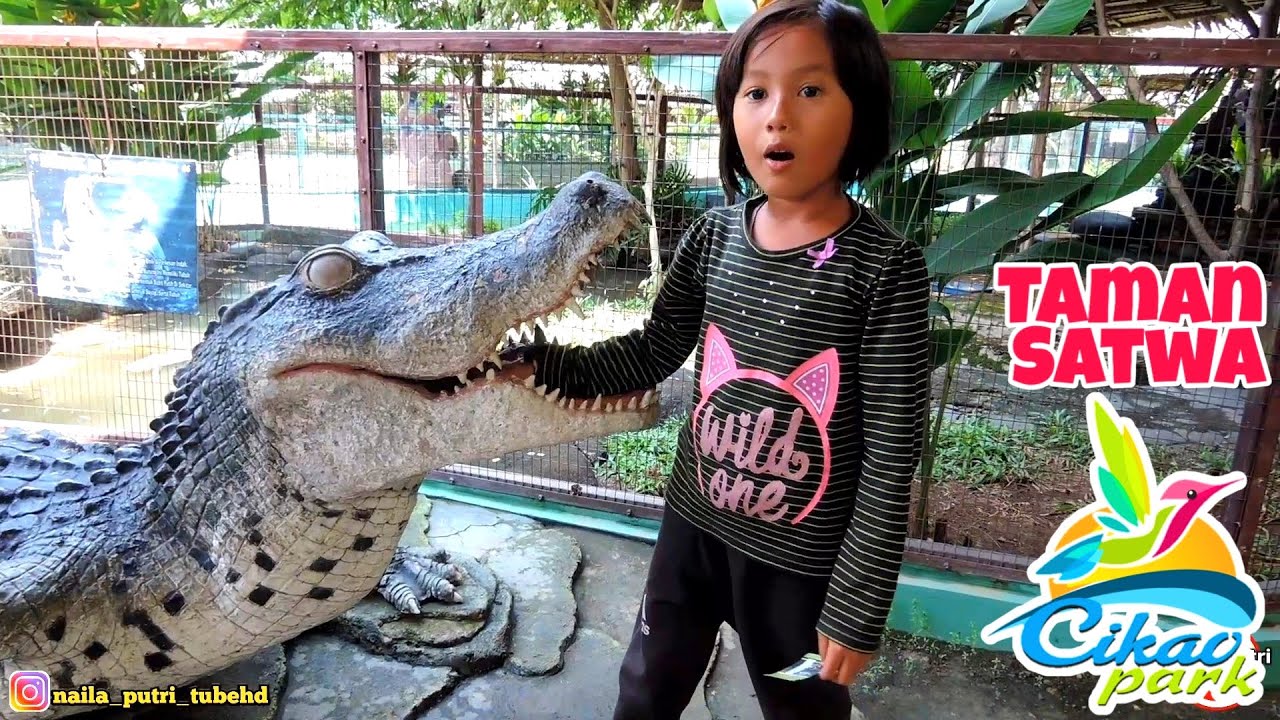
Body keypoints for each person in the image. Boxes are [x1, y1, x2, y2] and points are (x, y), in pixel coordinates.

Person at [518, 0, 931, 717]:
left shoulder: (885, 269)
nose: (778, 115)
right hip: (693, 529)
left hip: (799, 566)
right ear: (731, 111)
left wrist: (859, 601)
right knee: (644, 688)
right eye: (756, 91)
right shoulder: (713, 236)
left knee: (803, 709)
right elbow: (652, 349)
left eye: (809, 90)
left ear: (858, 110)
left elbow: (892, 454)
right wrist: (547, 366)